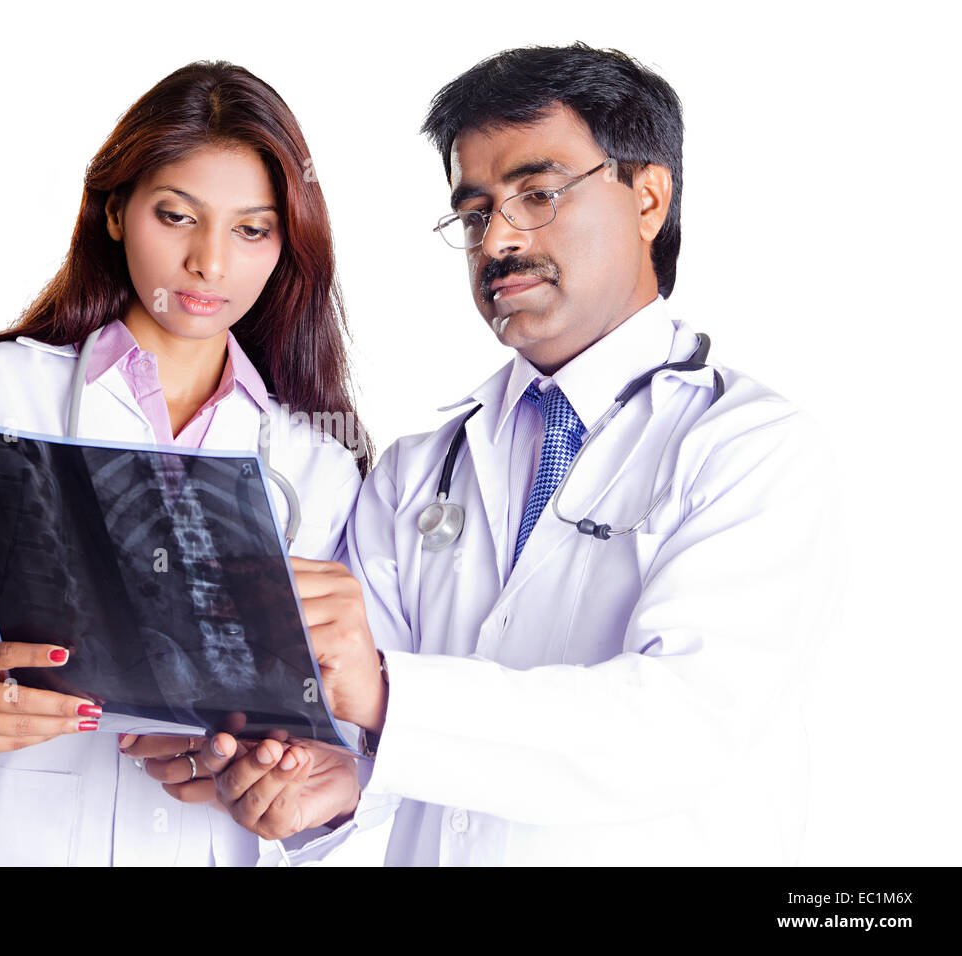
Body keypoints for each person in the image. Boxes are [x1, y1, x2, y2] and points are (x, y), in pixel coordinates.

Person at [195, 43, 842, 865]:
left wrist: (388, 694)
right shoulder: (415, 469)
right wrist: (315, 782)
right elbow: (366, 734)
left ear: (648, 197)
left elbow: (681, 725)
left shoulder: (749, 448)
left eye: (537, 194)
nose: (497, 239)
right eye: (474, 212)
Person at [0, 60, 371, 866]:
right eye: (176, 216)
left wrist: (277, 773)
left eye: (251, 229)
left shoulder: (316, 461)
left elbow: (339, 761)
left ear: (287, 245)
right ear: (115, 212)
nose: (210, 264)